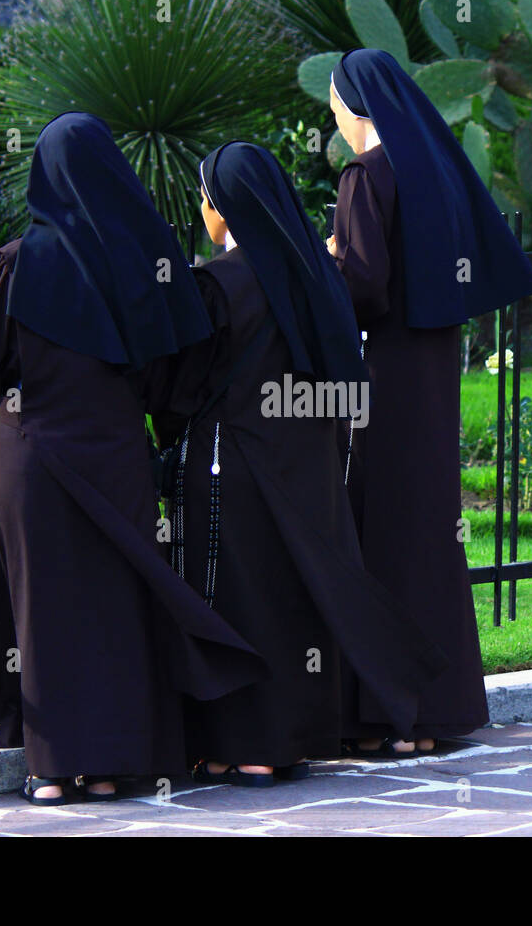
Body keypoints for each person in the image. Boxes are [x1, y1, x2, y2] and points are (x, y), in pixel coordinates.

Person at [0, 112, 265, 805]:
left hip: (33, 458)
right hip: (116, 456)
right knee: (114, 607)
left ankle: (53, 769)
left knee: (43, 608)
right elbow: (177, 367)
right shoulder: (142, 262)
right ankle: (116, 761)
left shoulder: (17, 263)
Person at [150, 140, 447, 786]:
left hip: (235, 466)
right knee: (295, 596)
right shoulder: (319, 275)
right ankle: (287, 739)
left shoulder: (219, 284)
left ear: (225, 208)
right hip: (309, 463)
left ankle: (241, 745)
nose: (203, 209)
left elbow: (178, 386)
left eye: (206, 198)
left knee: (240, 597)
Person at [327, 49, 532, 756]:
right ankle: (435, 712)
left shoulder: (367, 174)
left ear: (353, 105)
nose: (330, 112)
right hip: (434, 369)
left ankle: (390, 715)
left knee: (384, 532)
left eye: (333, 100)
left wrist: (325, 259)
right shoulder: (435, 167)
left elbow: (363, 286)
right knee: (429, 531)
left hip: (384, 371)